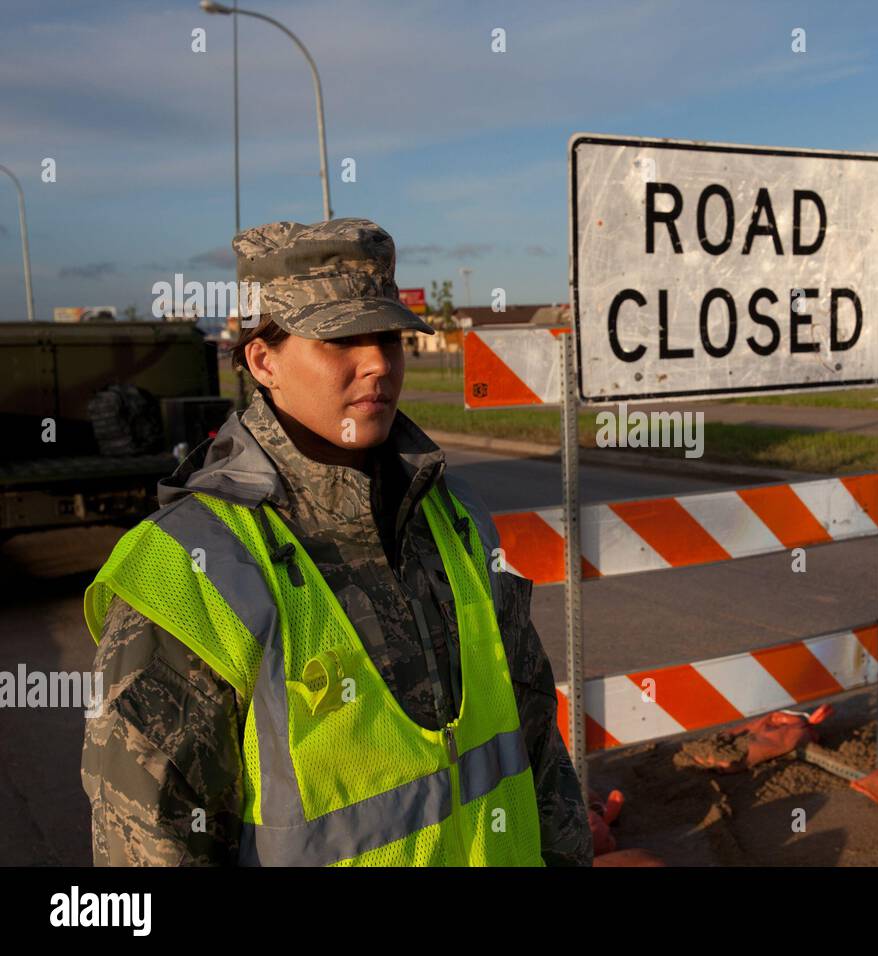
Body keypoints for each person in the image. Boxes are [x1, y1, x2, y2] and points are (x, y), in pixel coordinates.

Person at [80, 218, 592, 867]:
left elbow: (537, 743)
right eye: (340, 339)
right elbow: (149, 842)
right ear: (263, 361)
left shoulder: (454, 515)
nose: (377, 362)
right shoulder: (187, 570)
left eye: (388, 336)